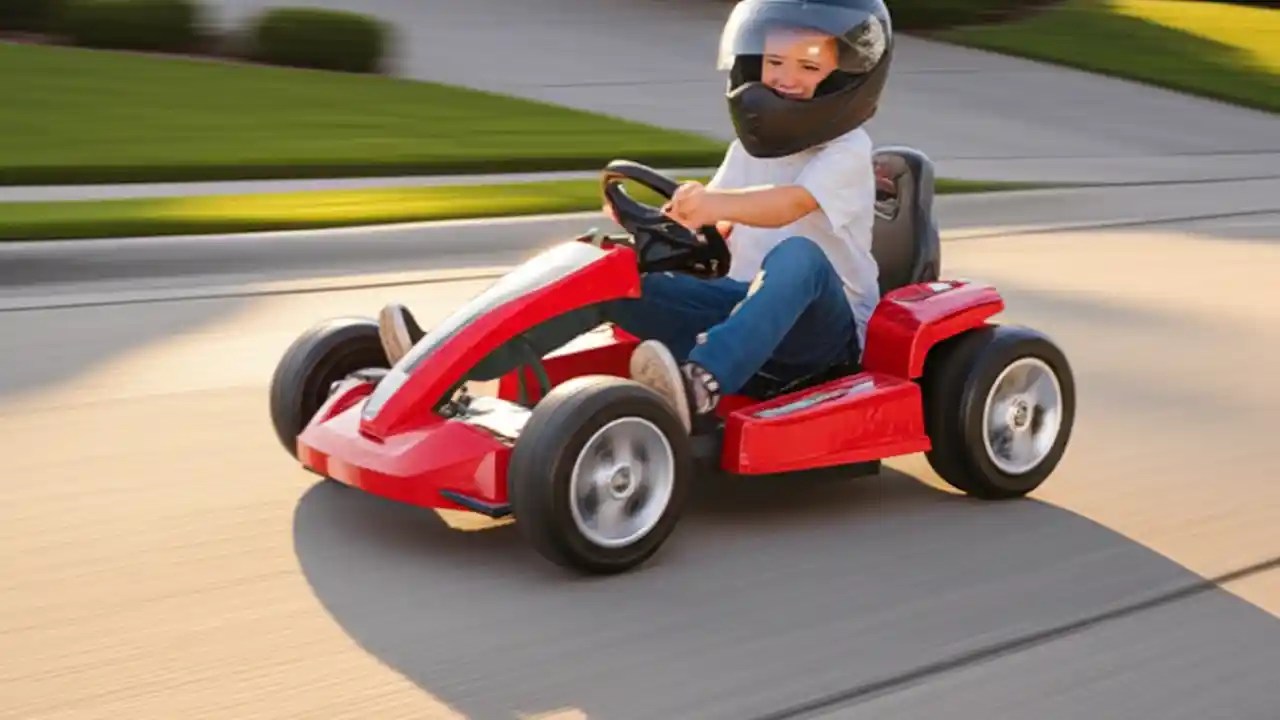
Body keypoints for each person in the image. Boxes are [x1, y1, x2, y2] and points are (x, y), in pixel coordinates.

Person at [378, 0, 894, 433]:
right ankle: (449, 362)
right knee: (607, 270)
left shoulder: (847, 152)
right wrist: (653, 222)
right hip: (738, 310)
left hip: (819, 342)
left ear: (844, 79)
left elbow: (789, 205)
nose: (786, 79)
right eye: (775, 62)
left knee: (798, 255)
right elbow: (709, 223)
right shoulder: (751, 149)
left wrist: (713, 204)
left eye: (808, 68)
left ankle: (700, 384)